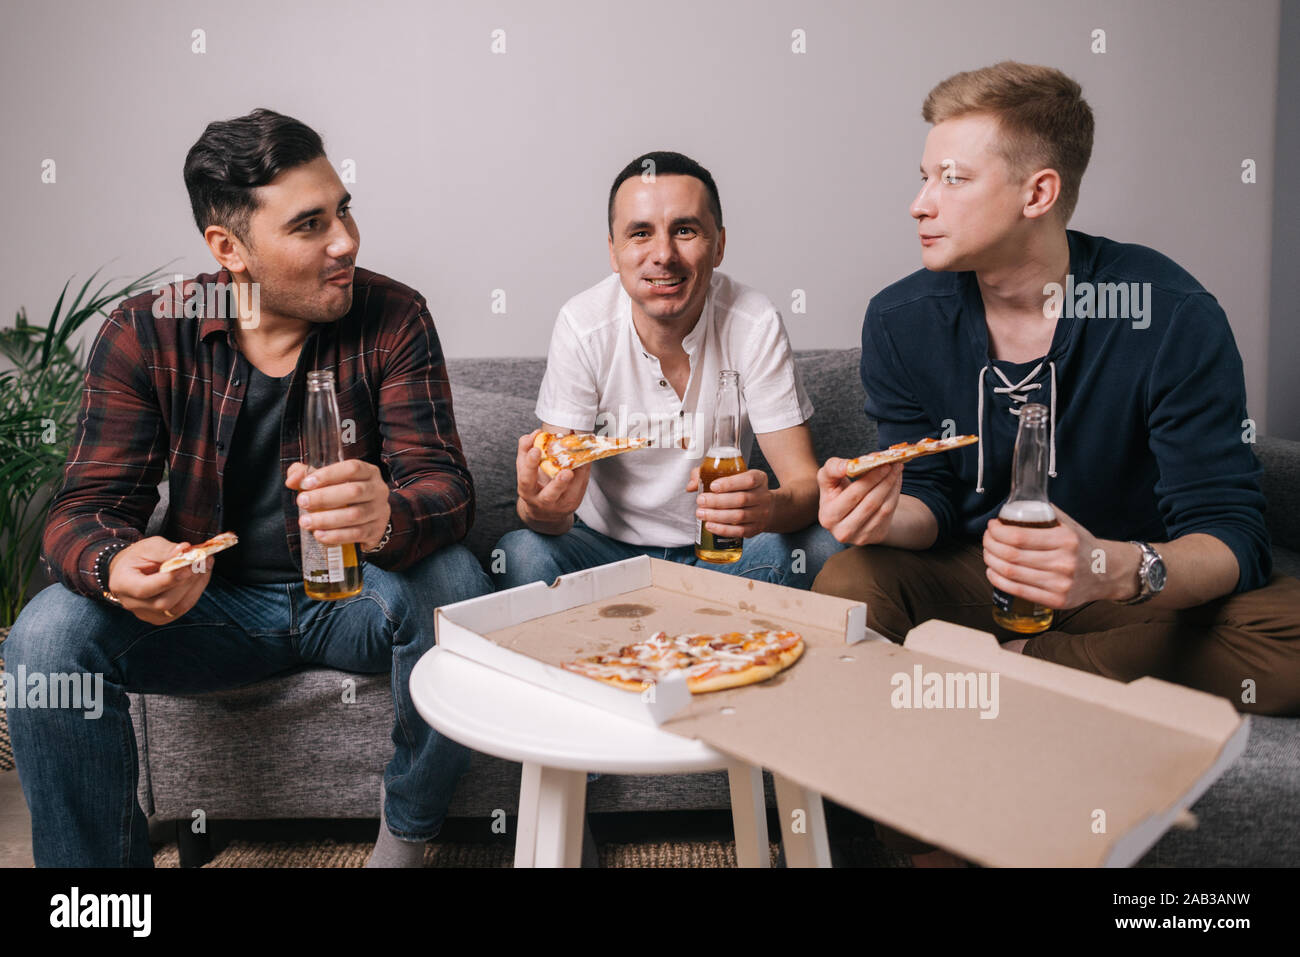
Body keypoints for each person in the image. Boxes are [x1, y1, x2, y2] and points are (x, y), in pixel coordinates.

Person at [812, 62, 1300, 863]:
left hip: (1130, 595)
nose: (919, 202)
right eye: (924, 175)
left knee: (1292, 634)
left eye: (952, 179)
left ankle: (1026, 673)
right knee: (845, 583)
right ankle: (938, 824)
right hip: (972, 581)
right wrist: (879, 508)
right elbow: (928, 498)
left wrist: (1111, 567)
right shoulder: (902, 319)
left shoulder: (1169, 314)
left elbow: (1231, 534)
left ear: (1037, 195)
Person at [5, 108, 492, 868]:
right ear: (229, 249)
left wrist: (390, 515)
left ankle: (408, 837)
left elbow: (448, 490)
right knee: (43, 638)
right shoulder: (148, 330)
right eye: (309, 225)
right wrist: (115, 565)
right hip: (214, 610)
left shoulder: (393, 314)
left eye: (344, 210)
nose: (346, 243)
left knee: (456, 579)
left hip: (353, 599)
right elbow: (84, 510)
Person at [494, 151, 841, 590]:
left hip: (721, 551)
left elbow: (806, 487)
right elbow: (550, 510)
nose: (663, 255)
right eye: (640, 233)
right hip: (602, 551)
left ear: (719, 245)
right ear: (613, 251)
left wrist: (767, 509)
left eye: (685, 230)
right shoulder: (582, 325)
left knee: (820, 549)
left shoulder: (755, 322)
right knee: (519, 553)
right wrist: (537, 506)